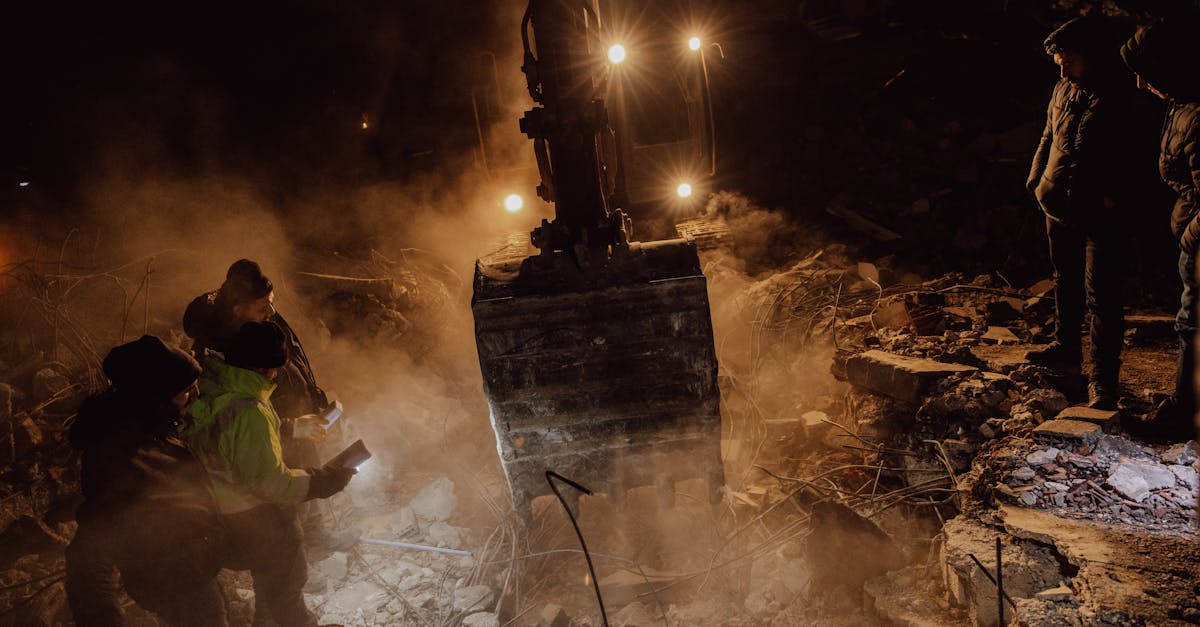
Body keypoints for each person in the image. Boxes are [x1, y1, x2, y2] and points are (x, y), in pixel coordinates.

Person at [183, 321, 356, 627]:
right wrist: (324, 480)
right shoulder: (251, 411)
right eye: (275, 369)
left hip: (222, 510)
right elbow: (270, 484)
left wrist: (290, 427)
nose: (277, 376)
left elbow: (228, 433)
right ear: (264, 368)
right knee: (285, 582)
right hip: (256, 514)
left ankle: (265, 622)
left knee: (270, 578)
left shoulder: (213, 386)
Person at [183, 259, 352, 550]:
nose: (271, 313)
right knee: (279, 485)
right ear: (238, 310)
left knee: (301, 460)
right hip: (261, 427)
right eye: (263, 308)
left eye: (271, 304)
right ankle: (300, 542)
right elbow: (232, 413)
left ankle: (311, 532)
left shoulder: (258, 319)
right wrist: (282, 425)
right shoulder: (222, 352)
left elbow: (291, 355)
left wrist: (305, 406)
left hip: (280, 419)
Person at [1025, 15, 1146, 410]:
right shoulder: (1063, 89)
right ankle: (1065, 347)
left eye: (1069, 60)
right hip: (1057, 202)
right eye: (1059, 61)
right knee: (1065, 278)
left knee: (1103, 297)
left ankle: (1102, 380)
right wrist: (1037, 179)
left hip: (1101, 212)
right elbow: (1049, 135)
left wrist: (1118, 197)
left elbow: (1140, 153)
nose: (1062, 68)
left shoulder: (1122, 93)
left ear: (1091, 56)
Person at [65, 335, 227, 627]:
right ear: (156, 394)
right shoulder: (120, 453)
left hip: (192, 570)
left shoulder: (152, 428)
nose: (196, 393)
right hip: (176, 584)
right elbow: (87, 555)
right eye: (186, 389)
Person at [1121, 17, 1200, 441]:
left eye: (1145, 74)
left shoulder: (1197, 114)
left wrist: (1189, 235)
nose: (1139, 84)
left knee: (1192, 323)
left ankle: (1181, 417)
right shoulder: (1182, 104)